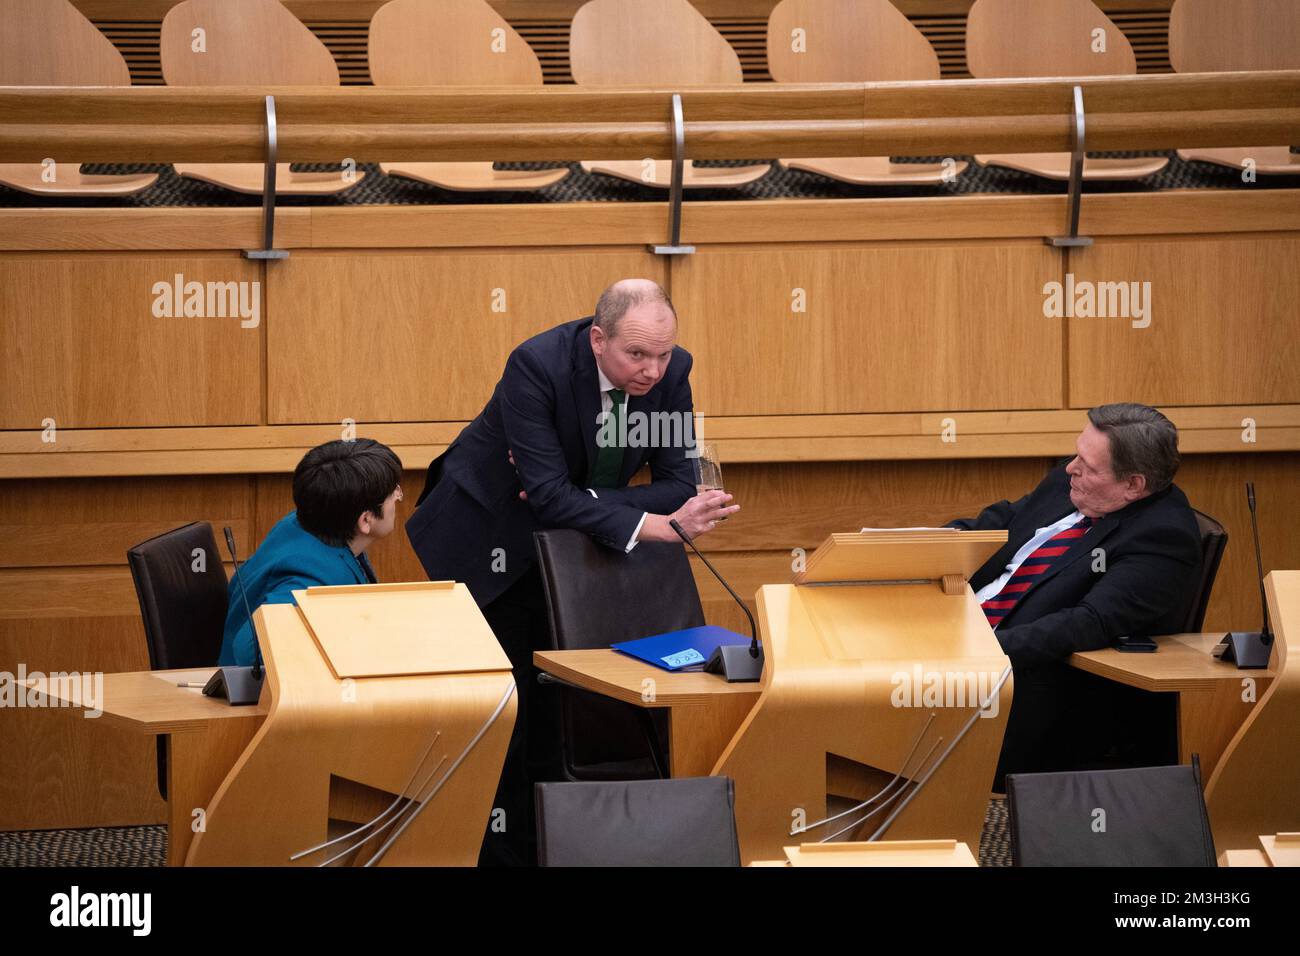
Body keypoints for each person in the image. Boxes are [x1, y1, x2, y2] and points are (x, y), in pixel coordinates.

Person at [405, 277, 737, 865]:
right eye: (636, 354)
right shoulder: (537, 366)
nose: (653, 371)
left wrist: (579, 494)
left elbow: (678, 484)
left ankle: (571, 849)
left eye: (662, 353)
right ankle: (500, 856)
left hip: (579, 549)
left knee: (570, 703)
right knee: (508, 711)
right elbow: (550, 498)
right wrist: (646, 522)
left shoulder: (673, 371)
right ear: (597, 340)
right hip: (492, 546)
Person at [946, 403, 1202, 788]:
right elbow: (1001, 522)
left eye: (1089, 465)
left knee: (863, 691)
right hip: (956, 621)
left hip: (1023, 686)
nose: (1071, 468)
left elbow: (1085, 623)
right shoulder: (1073, 483)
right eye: (1076, 455)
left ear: (1133, 484)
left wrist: (975, 649)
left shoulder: (1162, 538)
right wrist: (919, 546)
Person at [218, 438, 403, 666]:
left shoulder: (304, 521)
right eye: (393, 493)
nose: (397, 496)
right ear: (365, 520)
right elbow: (249, 652)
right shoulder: (312, 580)